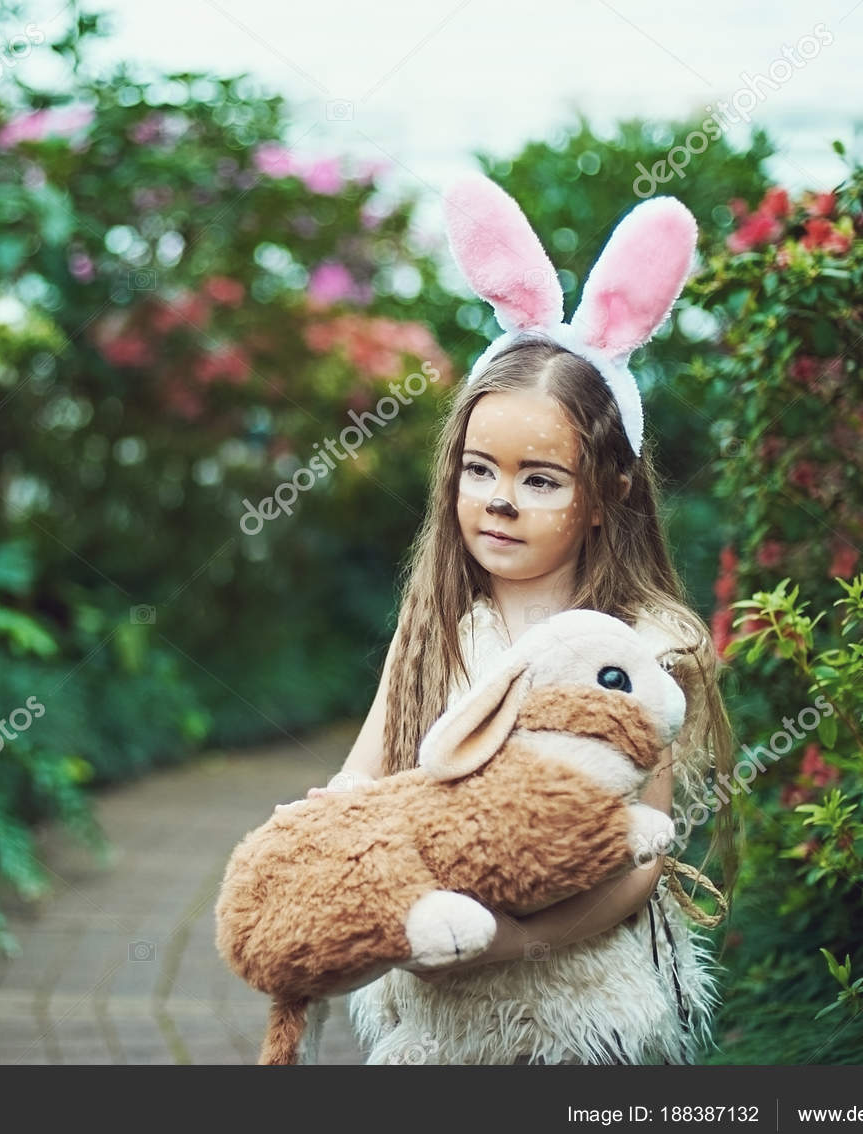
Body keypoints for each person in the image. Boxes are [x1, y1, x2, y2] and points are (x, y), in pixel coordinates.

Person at [281, 175, 734, 1065]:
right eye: (481, 470)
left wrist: (522, 942)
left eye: (541, 479)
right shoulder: (441, 628)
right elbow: (362, 774)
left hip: (580, 1007)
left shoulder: (645, 646)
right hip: (439, 1004)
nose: (500, 501)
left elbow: (640, 855)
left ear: (606, 493)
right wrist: (314, 838)